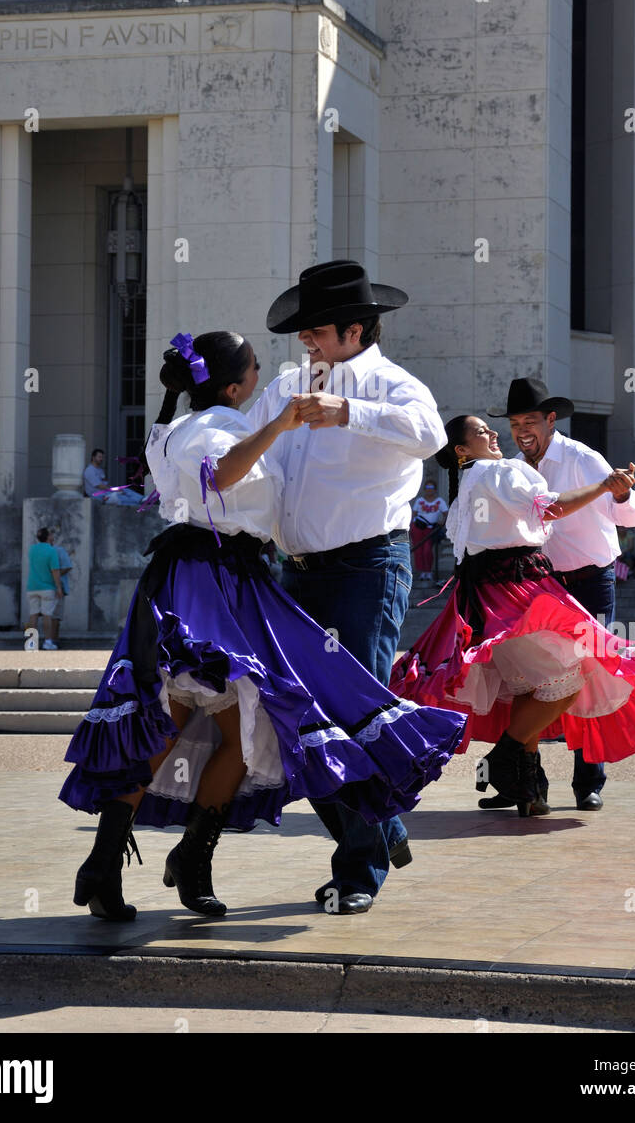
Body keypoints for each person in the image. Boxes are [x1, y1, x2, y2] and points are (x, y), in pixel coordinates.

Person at [60, 330, 464, 923]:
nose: (263, 376)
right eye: (252, 369)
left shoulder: (175, 430)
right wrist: (274, 429)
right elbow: (220, 476)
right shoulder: (220, 428)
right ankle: (172, 857)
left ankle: (135, 860)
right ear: (234, 384)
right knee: (230, 725)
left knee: (206, 727)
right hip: (216, 580)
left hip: (206, 579)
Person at [247, 259, 448, 913]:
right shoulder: (282, 388)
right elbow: (245, 450)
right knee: (292, 718)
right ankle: (383, 826)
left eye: (316, 329)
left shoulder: (393, 385)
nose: (304, 341)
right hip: (295, 575)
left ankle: (358, 868)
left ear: (353, 330)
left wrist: (348, 412)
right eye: (301, 331)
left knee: (355, 714)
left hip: (367, 568)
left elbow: (430, 437)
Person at [391, 415, 635, 815]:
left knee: (530, 687)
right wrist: (605, 486)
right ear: (462, 450)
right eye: (482, 431)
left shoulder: (469, 481)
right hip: (515, 592)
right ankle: (507, 758)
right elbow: (549, 509)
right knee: (571, 674)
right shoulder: (498, 472)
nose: (493, 433)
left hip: (489, 595)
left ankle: (529, 787)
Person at [494, 377, 635, 812]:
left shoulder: (580, 457)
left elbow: (631, 515)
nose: (522, 430)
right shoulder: (513, 466)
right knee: (531, 678)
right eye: (516, 422)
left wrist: (621, 493)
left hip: (589, 580)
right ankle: (528, 785)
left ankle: (589, 783)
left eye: (530, 421)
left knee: (590, 676)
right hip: (539, 586)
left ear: (550, 420)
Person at [26, 526, 63, 652]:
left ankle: (31, 643)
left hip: (32, 586)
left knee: (33, 615)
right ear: (48, 537)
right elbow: (55, 570)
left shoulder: (32, 549)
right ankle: (48, 642)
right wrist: (59, 587)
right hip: (47, 587)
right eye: (51, 535)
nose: (53, 537)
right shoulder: (51, 551)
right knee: (47, 615)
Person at [411, 478, 448, 581]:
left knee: (427, 550)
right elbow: (414, 514)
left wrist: (443, 522)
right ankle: (422, 572)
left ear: (435, 489)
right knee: (418, 550)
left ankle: (428, 571)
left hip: (431, 530)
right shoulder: (420, 501)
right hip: (418, 528)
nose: (429, 489)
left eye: (431, 487)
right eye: (427, 487)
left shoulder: (439, 501)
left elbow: (446, 513)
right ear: (424, 489)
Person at [47, 530, 73, 646]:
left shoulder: (57, 551)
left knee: (55, 616)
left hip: (53, 586)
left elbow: (67, 567)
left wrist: (54, 576)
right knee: (54, 616)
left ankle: (53, 640)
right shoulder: (52, 551)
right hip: (51, 586)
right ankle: (51, 640)